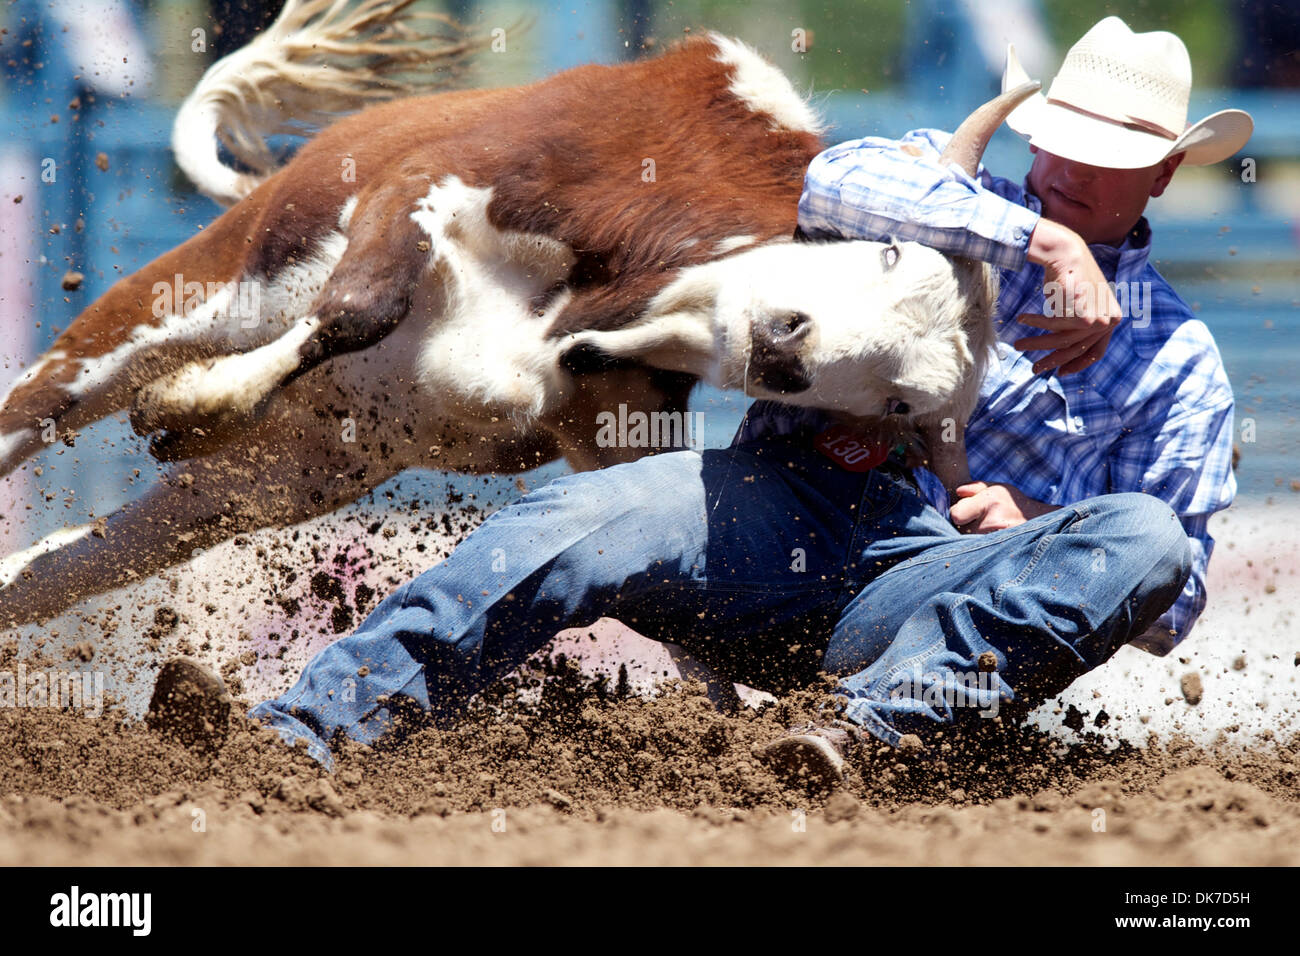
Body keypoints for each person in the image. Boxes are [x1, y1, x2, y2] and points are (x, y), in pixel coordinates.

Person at [148, 17, 1252, 783]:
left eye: (1103, 163)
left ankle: (864, 741)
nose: (1068, 167)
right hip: (780, 506)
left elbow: (1173, 594)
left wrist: (1032, 526)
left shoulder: (1177, 366)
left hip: (929, 587)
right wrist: (1040, 237)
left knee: (1140, 532)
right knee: (577, 517)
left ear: (1159, 175)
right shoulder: (954, 195)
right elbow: (834, 179)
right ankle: (301, 729)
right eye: (1058, 144)